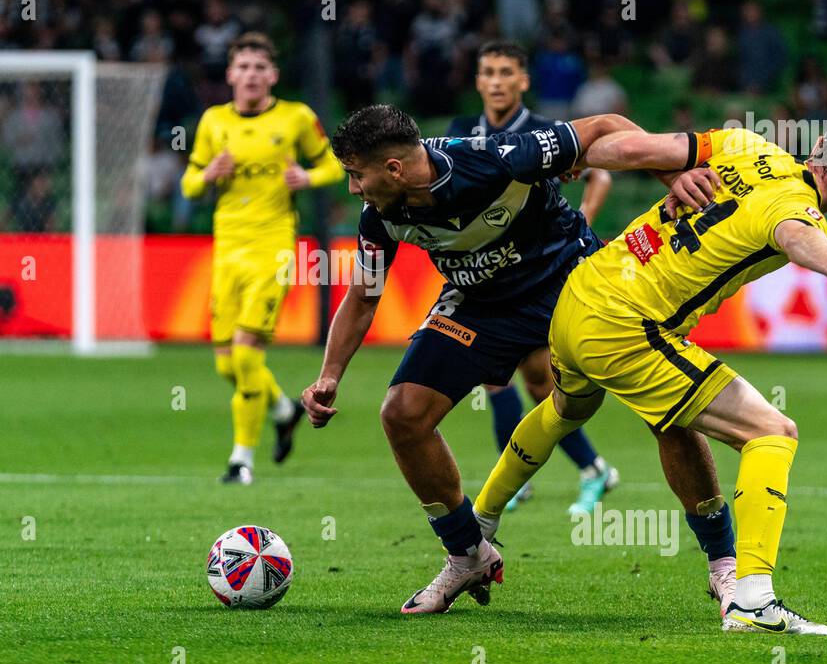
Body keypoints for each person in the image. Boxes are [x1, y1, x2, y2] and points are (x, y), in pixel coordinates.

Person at [474, 109, 827, 635]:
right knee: (772, 432)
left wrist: (577, 159)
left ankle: (478, 526)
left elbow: (626, 149)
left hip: (580, 293)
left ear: (821, 144)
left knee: (567, 408)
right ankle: (753, 599)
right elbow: (796, 235)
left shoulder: (745, 144)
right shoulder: (799, 208)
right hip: (625, 326)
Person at [303, 104, 728, 615]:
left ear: (393, 169)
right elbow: (365, 295)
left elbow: (606, 126)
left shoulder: (498, 159)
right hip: (481, 306)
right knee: (403, 414)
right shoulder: (381, 217)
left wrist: (673, 175)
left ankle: (723, 564)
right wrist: (329, 376)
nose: (353, 188)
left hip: (573, 283)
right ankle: (467, 556)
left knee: (668, 411)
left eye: (356, 174)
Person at [444, 39, 618, 515]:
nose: (497, 81)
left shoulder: (544, 131)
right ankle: (524, 478)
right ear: (478, 80)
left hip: (540, 275)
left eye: (506, 73)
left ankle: (593, 468)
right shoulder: (463, 131)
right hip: (489, 275)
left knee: (541, 382)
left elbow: (599, 173)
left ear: (523, 80)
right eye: (488, 73)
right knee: (495, 381)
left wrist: (581, 220)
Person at [180, 32, 343, 485]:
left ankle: (240, 461)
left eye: (259, 68)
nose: (251, 75)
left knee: (248, 358)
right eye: (243, 67)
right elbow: (189, 184)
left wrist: (306, 177)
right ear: (231, 74)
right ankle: (283, 409)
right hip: (226, 250)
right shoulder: (214, 121)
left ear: (272, 75)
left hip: (272, 249)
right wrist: (208, 173)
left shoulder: (295, 117)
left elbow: (334, 165)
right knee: (226, 365)